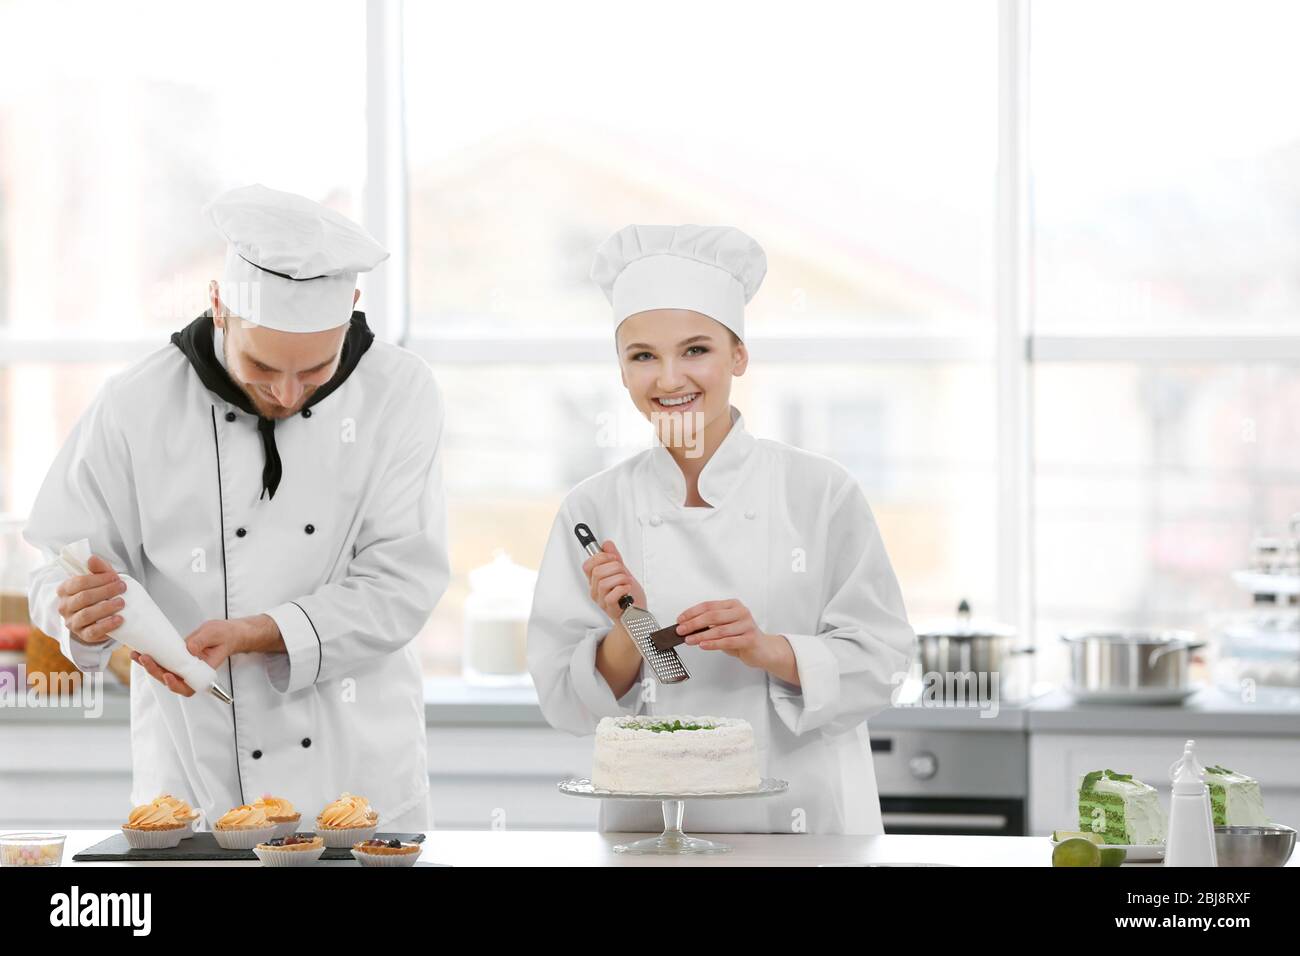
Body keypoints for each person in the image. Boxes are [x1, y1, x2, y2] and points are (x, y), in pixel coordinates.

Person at [23, 184, 448, 831]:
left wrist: (259, 632)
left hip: (357, 771)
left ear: (353, 309)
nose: (284, 392)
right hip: (195, 770)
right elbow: (58, 563)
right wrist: (74, 615)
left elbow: (402, 584)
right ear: (218, 307)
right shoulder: (136, 405)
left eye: (314, 371)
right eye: (262, 365)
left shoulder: (400, 393)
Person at [527, 224, 916, 834]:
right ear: (621, 370)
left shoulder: (820, 492)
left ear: (738, 355)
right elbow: (567, 704)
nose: (670, 379)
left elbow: (885, 663)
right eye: (643, 356)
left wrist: (766, 649)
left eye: (696, 349)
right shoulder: (591, 508)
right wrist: (630, 628)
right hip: (650, 831)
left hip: (801, 823)